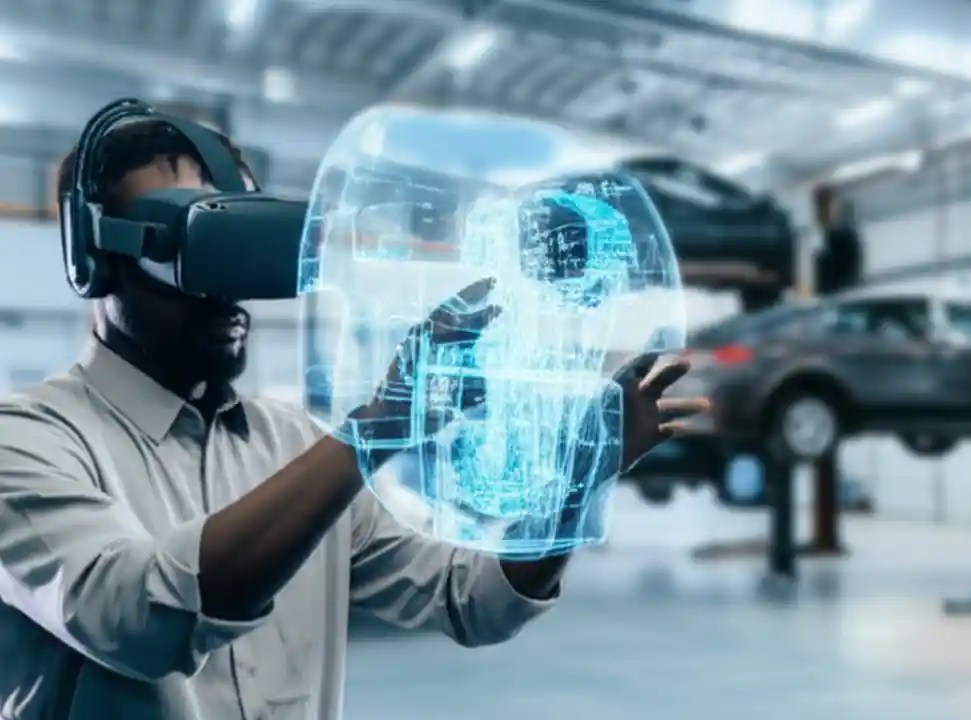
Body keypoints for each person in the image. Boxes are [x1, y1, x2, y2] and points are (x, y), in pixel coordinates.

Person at [0, 119, 709, 719]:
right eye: (185, 250)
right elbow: (138, 617)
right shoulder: (27, 442)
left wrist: (575, 485)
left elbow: (471, 599)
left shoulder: (294, 447)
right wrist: (376, 430)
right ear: (93, 259)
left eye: (238, 251)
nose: (222, 290)